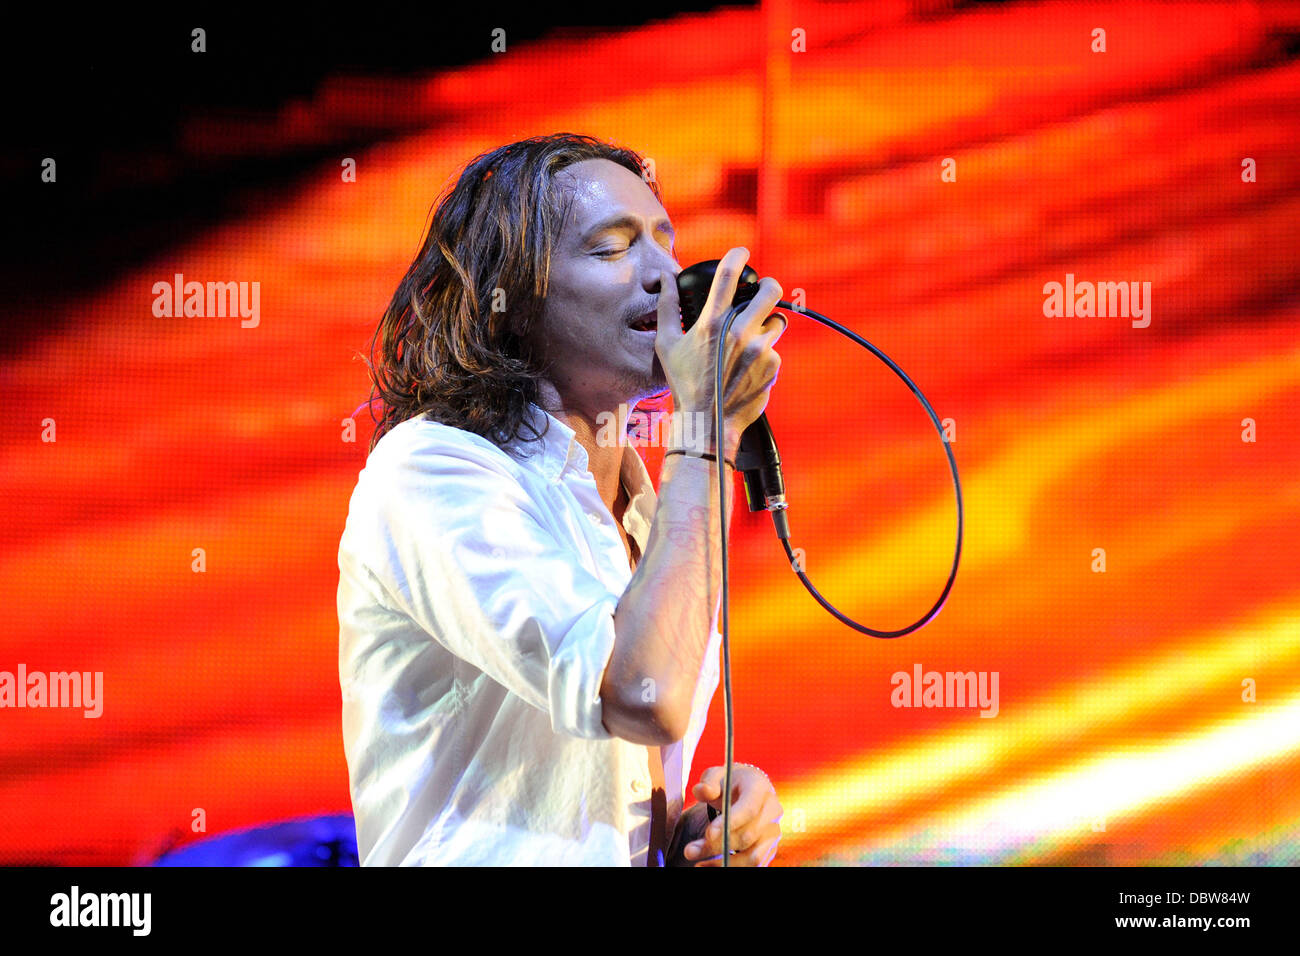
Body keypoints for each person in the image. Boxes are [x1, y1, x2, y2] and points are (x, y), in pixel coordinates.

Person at [337, 132, 786, 865]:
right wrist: (705, 430)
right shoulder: (430, 472)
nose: (665, 278)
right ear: (510, 300)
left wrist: (695, 828)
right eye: (613, 248)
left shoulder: (650, 507)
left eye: (664, 242)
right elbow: (642, 691)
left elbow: (616, 761)